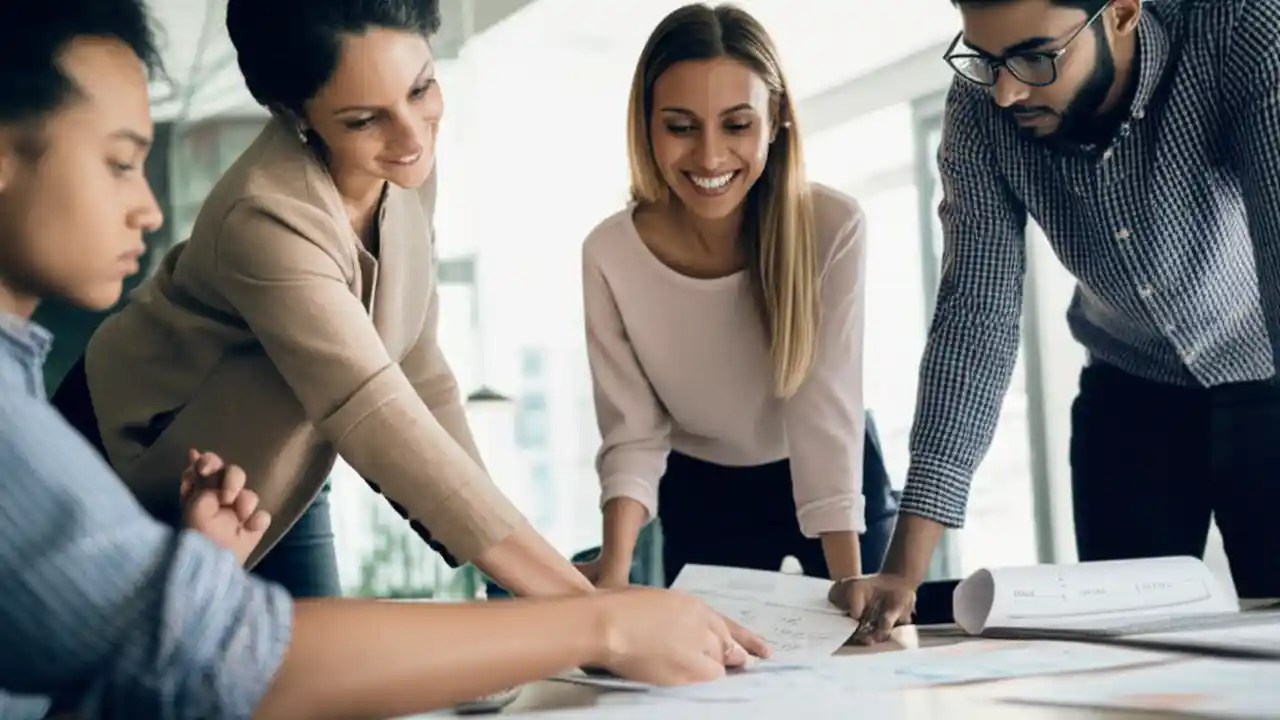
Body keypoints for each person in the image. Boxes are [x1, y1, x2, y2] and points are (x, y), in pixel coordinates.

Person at [0, 1, 760, 717]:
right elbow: (375, 411)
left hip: (274, 477)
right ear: (297, 114)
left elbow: (419, 372)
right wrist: (594, 615)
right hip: (140, 458)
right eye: (365, 119)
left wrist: (538, 585)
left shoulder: (406, 170)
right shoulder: (266, 213)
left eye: (423, 89)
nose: (412, 138)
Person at [835, 0, 1280, 642]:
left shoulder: (1239, 28)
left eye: (1035, 57)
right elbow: (975, 315)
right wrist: (902, 570)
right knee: (1131, 663)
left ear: (1123, 13)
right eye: (986, 60)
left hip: (1264, 374)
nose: (1008, 90)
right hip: (1129, 395)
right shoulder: (979, 105)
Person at [578, 3, 893, 591]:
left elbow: (823, 407)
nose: (710, 157)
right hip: (704, 489)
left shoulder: (833, 225)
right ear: (647, 126)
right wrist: (614, 577)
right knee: (712, 674)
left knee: (861, 654)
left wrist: (850, 583)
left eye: (737, 124)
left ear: (777, 122)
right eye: (680, 126)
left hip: (834, 484)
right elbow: (633, 431)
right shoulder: (610, 253)